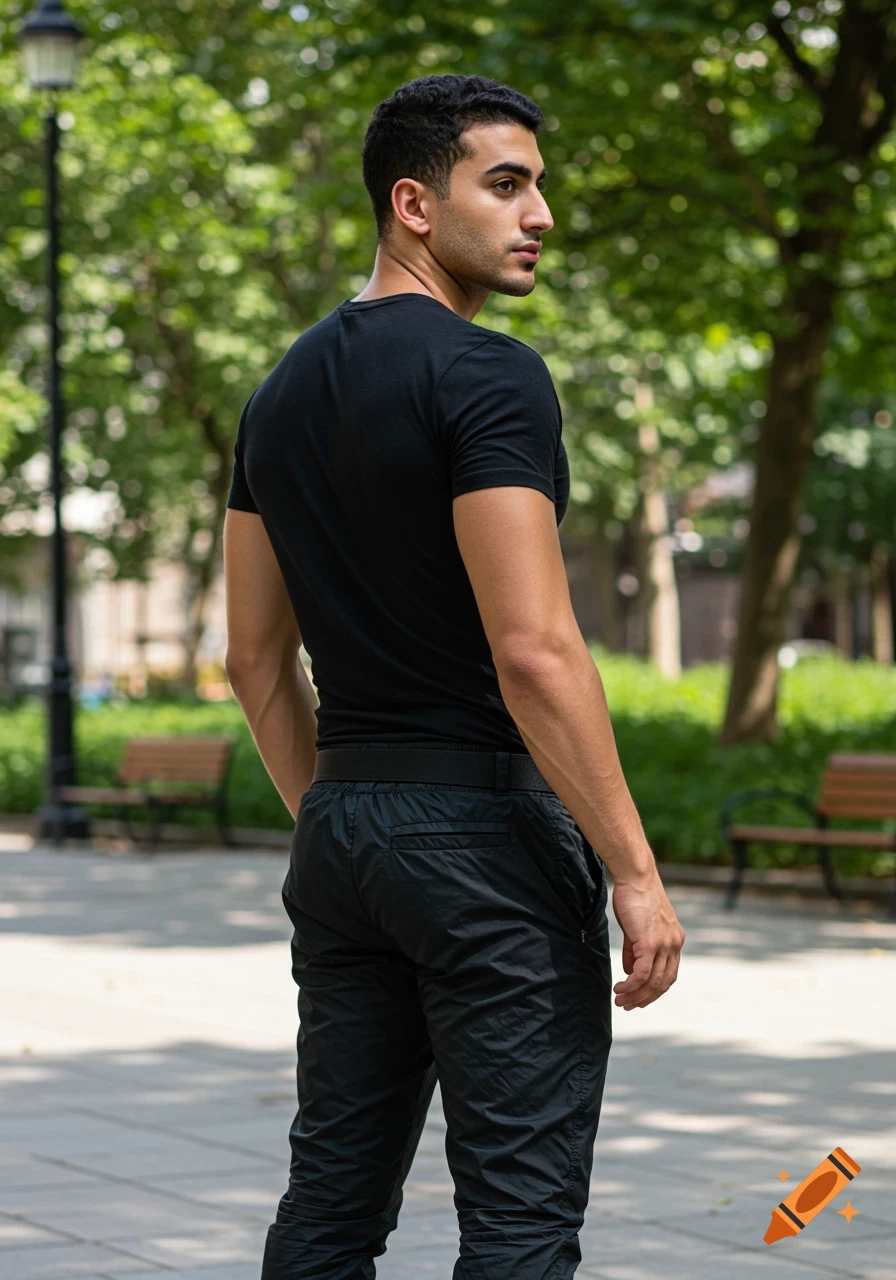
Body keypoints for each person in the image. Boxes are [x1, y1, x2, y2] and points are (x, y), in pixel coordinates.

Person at [223, 72, 685, 1280]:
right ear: (414, 204)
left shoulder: (276, 395)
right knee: (518, 1216)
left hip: (343, 833)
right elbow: (533, 648)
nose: (540, 214)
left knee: (330, 1201)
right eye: (507, 184)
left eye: (539, 187)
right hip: (485, 839)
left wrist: (344, 814)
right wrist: (635, 873)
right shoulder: (488, 374)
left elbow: (252, 657)